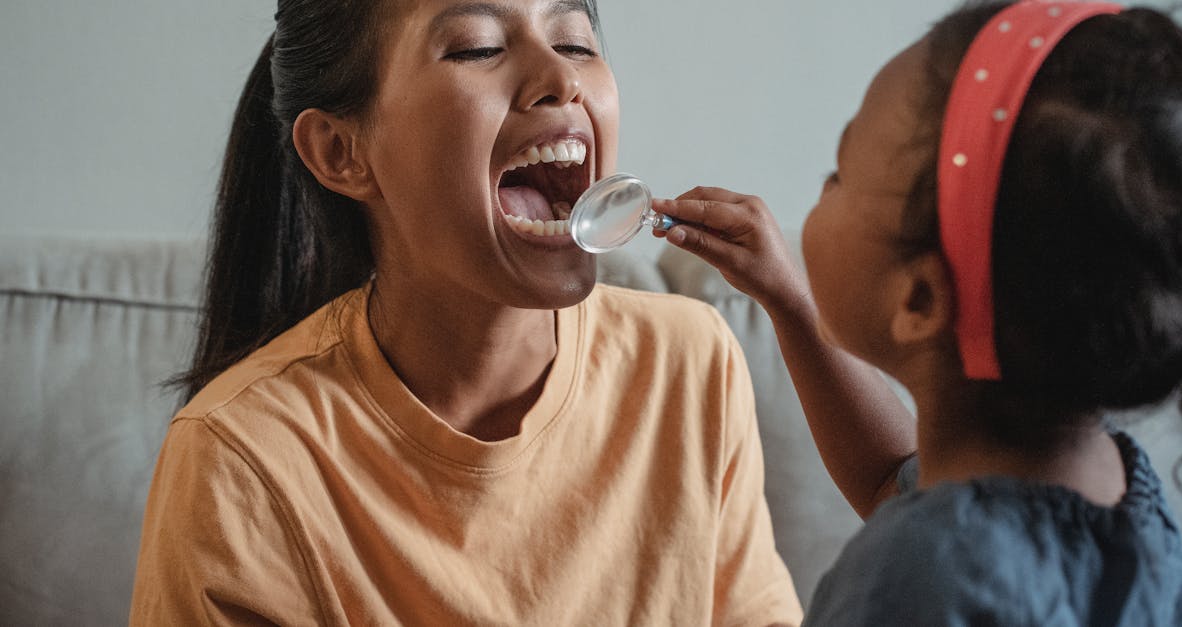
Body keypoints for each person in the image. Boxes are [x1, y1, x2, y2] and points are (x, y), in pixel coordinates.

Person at [129, 1, 803, 624]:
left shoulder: (689, 362)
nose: (558, 77)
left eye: (573, 40)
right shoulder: (240, 461)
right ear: (342, 152)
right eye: (477, 48)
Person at [654, 0, 1182, 624]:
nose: (821, 189)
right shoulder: (1122, 494)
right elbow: (896, 483)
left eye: (839, 174)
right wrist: (790, 300)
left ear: (918, 299)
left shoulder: (910, 578)